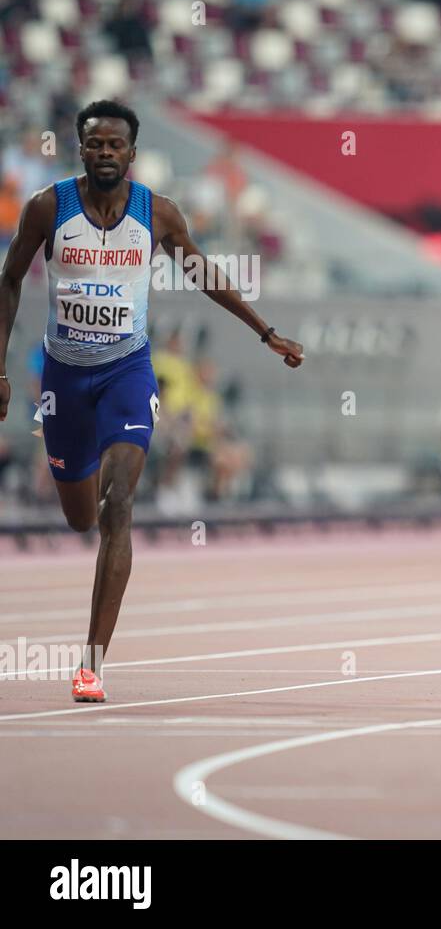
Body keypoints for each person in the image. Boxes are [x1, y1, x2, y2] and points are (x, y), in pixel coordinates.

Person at [0, 99, 304, 703]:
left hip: (127, 374)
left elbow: (207, 274)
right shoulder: (47, 208)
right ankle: (80, 489)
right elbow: (9, 281)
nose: (105, 152)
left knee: (119, 505)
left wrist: (265, 331)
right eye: (95, 144)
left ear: (132, 153)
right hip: (65, 378)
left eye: (115, 144)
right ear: (80, 149)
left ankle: (91, 664)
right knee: (81, 516)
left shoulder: (157, 215)